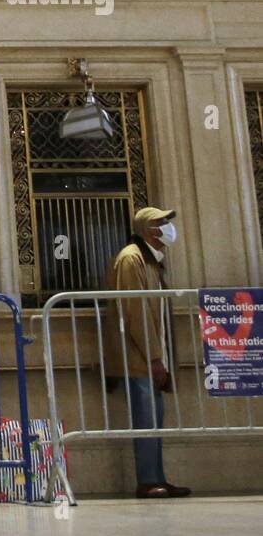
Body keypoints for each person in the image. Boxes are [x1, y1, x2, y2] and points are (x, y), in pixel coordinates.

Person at [107, 206, 191, 500]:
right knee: (146, 419)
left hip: (151, 355)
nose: (167, 226)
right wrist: (154, 358)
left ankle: (157, 477)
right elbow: (136, 312)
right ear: (147, 229)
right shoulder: (132, 259)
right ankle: (147, 480)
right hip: (139, 357)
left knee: (154, 418)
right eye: (161, 222)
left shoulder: (152, 260)